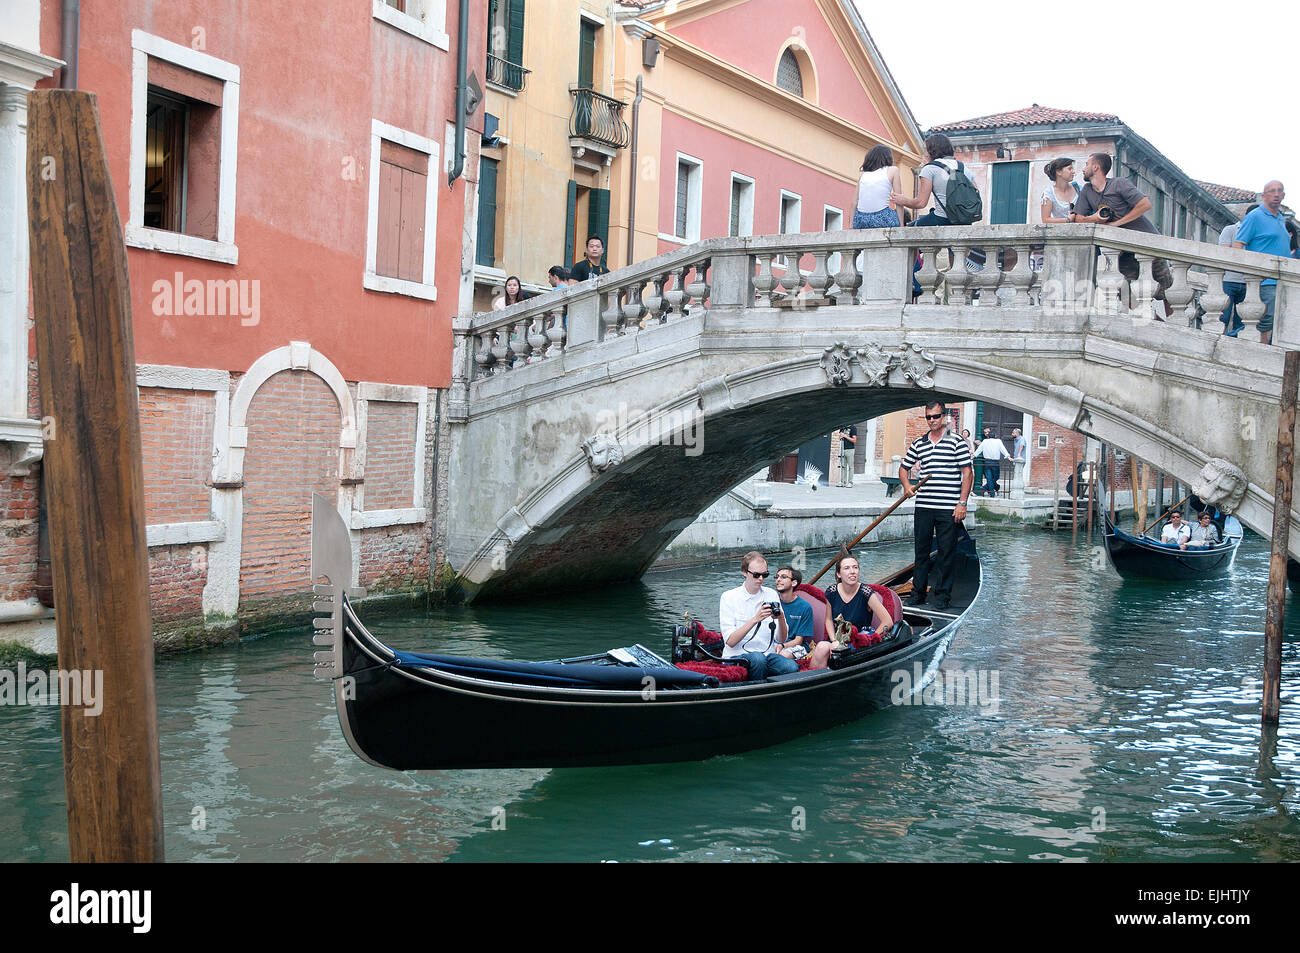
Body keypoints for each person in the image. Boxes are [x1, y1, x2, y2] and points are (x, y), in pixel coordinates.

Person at [1070, 153, 1172, 315]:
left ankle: (1173, 322)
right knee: (1123, 291)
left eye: (1087, 164)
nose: (1083, 169)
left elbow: (1145, 204)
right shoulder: (1087, 190)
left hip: (1146, 242)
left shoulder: (1118, 184)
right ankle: (1154, 321)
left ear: (1096, 167)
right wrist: (1095, 218)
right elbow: (1078, 219)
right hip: (1121, 251)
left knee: (1166, 289)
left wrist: (1117, 224)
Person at [899, 401, 973, 610]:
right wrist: (907, 486)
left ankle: (942, 597)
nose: (932, 420)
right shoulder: (919, 443)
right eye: (928, 417)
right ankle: (918, 593)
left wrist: (962, 503)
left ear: (944, 417)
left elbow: (967, 473)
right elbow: (903, 468)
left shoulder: (956, 441)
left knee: (946, 553)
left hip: (948, 507)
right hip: (923, 506)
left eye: (936, 416)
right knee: (921, 551)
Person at [719, 551, 799, 680]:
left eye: (765, 575)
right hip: (737, 656)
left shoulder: (771, 594)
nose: (761, 579)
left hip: (767, 655)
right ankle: (759, 689)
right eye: (756, 575)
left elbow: (782, 639)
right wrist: (756, 619)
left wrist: (781, 618)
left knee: (791, 667)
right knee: (758, 659)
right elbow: (731, 642)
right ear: (744, 572)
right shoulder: (729, 597)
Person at [1232, 181, 1288, 344]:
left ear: (1283, 195)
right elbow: (1238, 244)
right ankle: (1234, 339)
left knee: (1278, 320)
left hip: (1282, 279)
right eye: (1272, 191)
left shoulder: (1281, 219)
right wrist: (1246, 271)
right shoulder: (1255, 216)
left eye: (1279, 191)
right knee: (1265, 320)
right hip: (1264, 280)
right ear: (1263, 196)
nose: (1276, 194)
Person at [890, 133, 965, 228]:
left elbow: (921, 203)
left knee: (913, 227)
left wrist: (903, 200)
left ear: (932, 151)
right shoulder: (962, 167)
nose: (925, 154)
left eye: (926, 150)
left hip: (943, 218)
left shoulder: (930, 168)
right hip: (964, 218)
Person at [773, 566, 835, 670]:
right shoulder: (772, 602)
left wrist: (782, 646)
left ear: (794, 583)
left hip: (797, 646)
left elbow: (798, 640)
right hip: (774, 643)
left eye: (783, 577)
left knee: (783, 655)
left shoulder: (804, 607)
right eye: (777, 577)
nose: (778, 580)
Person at [823, 554, 894, 642]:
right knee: (822, 647)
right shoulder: (831, 592)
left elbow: (888, 622)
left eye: (855, 567)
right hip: (838, 640)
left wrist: (871, 638)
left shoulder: (866, 593)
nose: (852, 571)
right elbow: (829, 620)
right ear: (838, 574)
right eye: (846, 568)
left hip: (859, 642)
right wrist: (834, 640)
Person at [1217, 204, 1257, 337]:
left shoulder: (1258, 235)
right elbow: (1224, 252)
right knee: (1223, 316)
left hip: (1249, 282)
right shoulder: (1230, 230)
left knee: (1242, 322)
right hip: (1229, 279)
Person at [853, 145, 902, 229]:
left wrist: (851, 226)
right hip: (881, 217)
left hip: (861, 220)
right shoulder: (893, 170)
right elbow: (898, 200)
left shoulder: (863, 175)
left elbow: (854, 202)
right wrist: (901, 225)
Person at [1041, 157, 1079, 224]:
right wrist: (1067, 220)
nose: (1073, 171)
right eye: (1070, 169)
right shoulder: (1049, 193)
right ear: (1059, 172)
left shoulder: (1078, 188)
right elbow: (1045, 220)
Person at [974, 427, 1010, 497]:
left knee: (989, 478)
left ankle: (988, 490)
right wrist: (1008, 456)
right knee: (996, 477)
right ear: (995, 436)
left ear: (988, 436)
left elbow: (979, 450)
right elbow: (1003, 450)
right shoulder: (998, 441)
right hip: (995, 462)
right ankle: (989, 490)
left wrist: (973, 456)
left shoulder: (984, 441)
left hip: (987, 462)